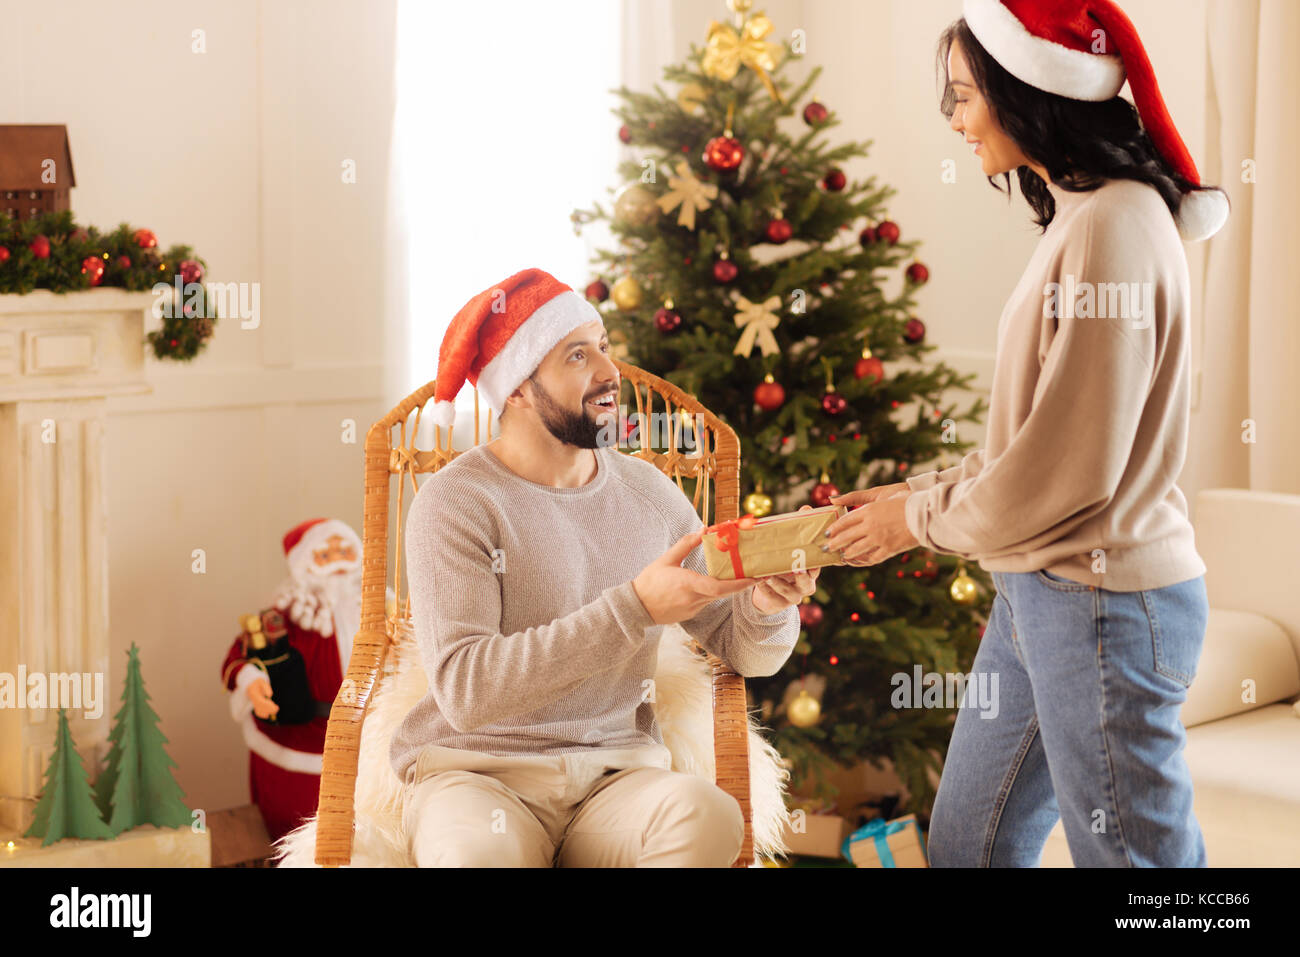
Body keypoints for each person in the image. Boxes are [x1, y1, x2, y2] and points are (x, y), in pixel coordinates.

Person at [821, 0, 1229, 867]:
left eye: (964, 96)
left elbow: (1069, 468)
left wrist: (914, 525)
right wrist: (912, 497)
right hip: (1039, 588)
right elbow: (1038, 436)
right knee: (971, 845)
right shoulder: (1085, 215)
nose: (957, 120)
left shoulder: (1115, 223)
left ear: (1025, 88)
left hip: (1101, 603)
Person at [390, 267, 819, 867]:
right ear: (516, 387)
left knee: (708, 817)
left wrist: (769, 607)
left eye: (605, 347)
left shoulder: (648, 493)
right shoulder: (455, 503)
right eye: (576, 355)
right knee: (477, 854)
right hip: (477, 776)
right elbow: (465, 690)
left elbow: (745, 650)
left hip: (615, 777)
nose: (610, 372)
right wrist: (634, 609)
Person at [221, 518, 368, 843]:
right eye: (324, 557)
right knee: (300, 835)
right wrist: (253, 681)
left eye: (345, 553)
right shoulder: (284, 619)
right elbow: (238, 659)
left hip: (366, 740)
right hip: (301, 743)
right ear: (303, 565)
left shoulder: (375, 609)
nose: (336, 566)